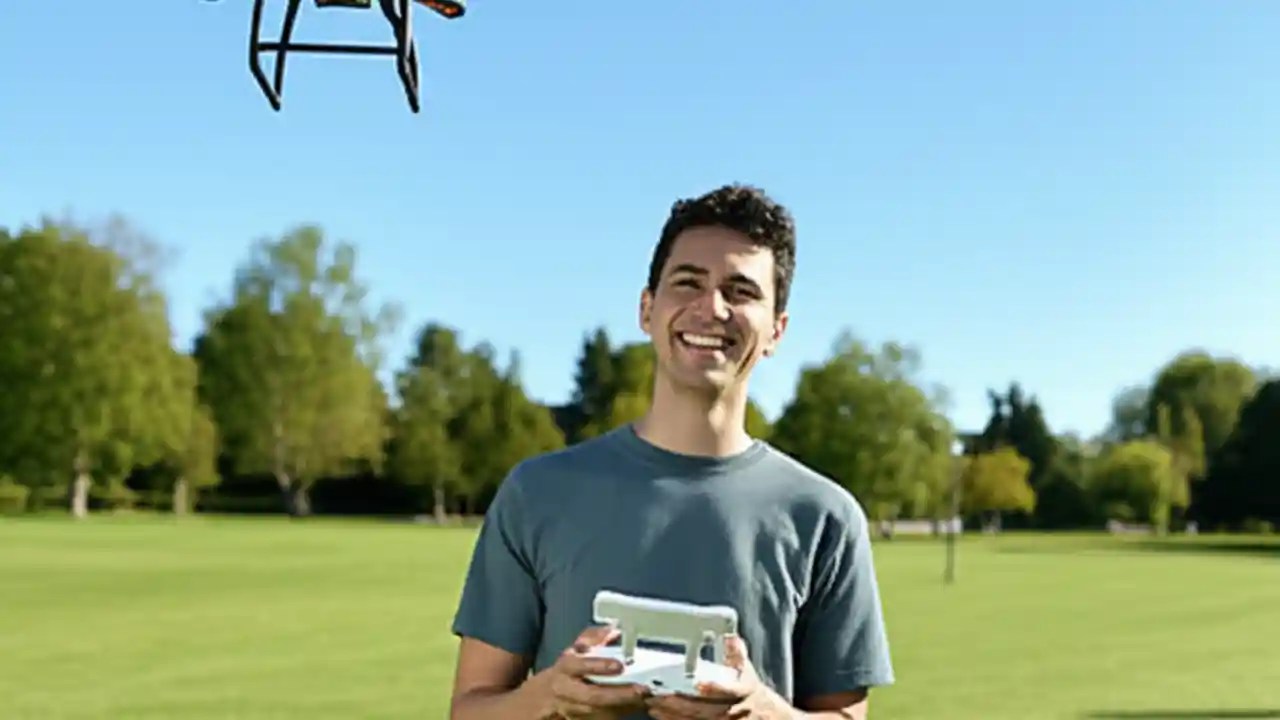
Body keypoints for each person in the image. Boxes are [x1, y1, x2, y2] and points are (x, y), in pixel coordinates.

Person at [448, 183, 895, 720]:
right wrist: (551, 696)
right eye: (688, 283)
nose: (712, 308)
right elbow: (470, 710)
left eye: (741, 291)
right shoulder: (537, 492)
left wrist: (759, 713)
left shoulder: (825, 517)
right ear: (646, 308)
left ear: (777, 330)